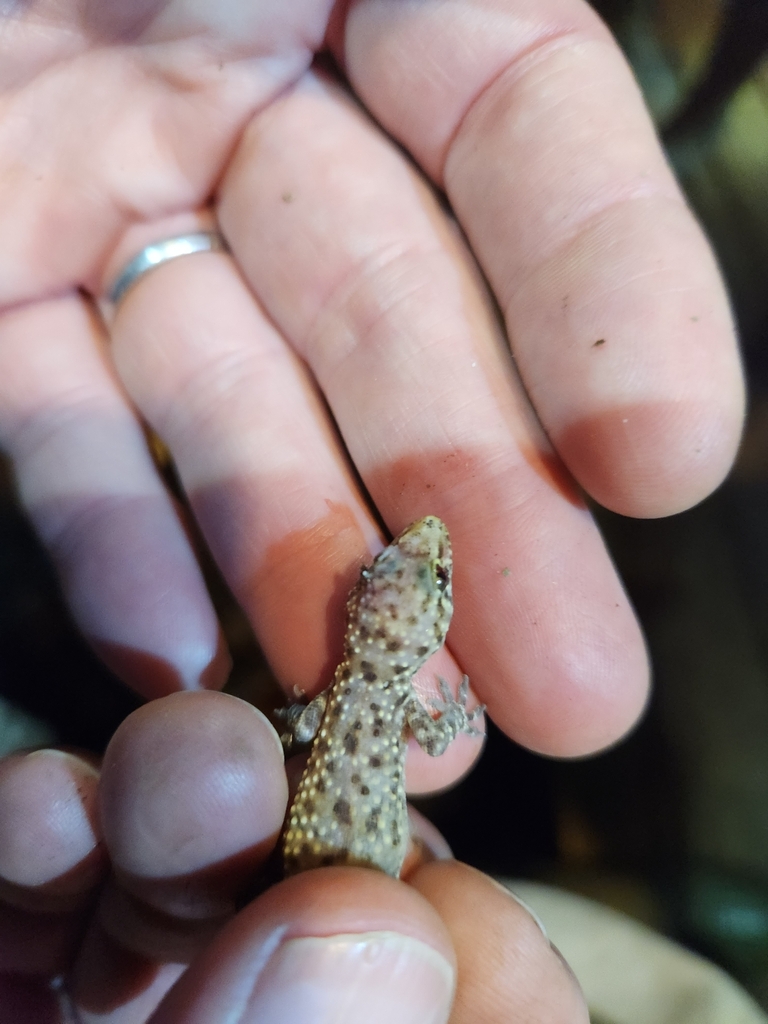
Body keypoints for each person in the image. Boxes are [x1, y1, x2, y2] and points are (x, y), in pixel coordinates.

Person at [0, 0, 744, 1020]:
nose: (427, 553)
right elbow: (335, 719)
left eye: (420, 573)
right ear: (406, 625)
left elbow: (341, 717)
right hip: (347, 877)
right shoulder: (379, 702)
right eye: (424, 574)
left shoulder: (370, 694)